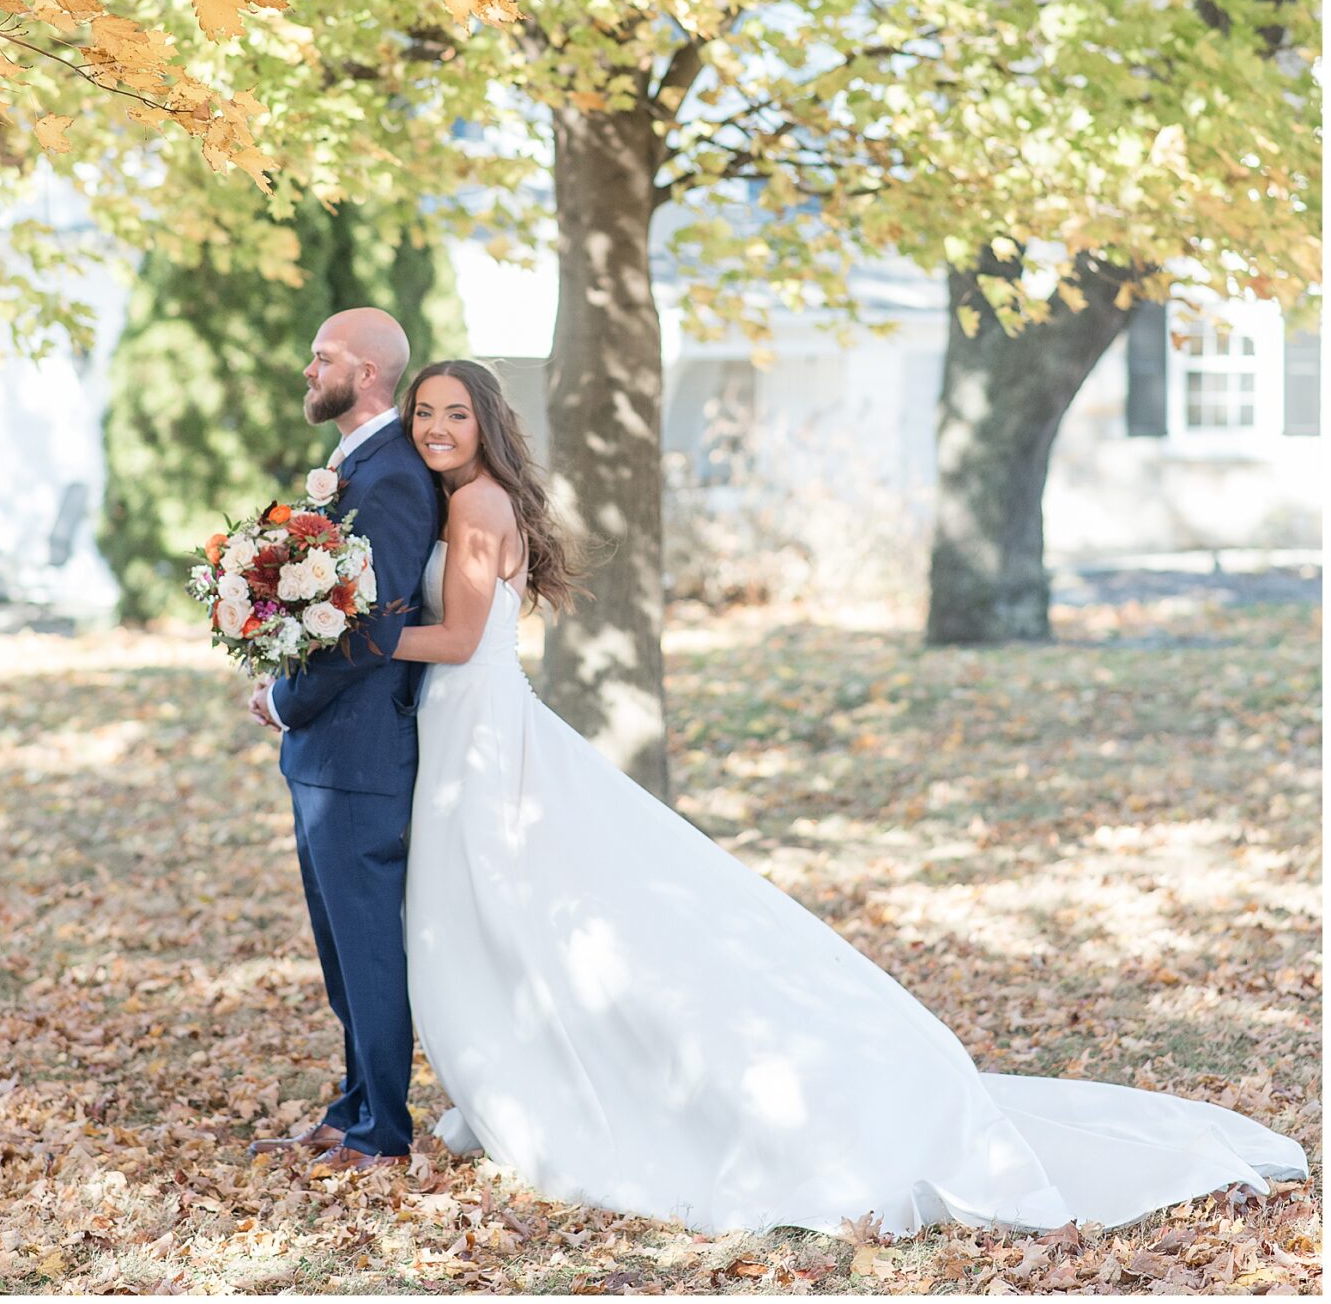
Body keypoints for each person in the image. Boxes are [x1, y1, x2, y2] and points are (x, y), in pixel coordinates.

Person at [387, 357, 1308, 1238]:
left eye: (453, 413)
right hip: (473, 725)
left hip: (482, 724)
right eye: (423, 412)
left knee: (509, 911)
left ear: (485, 425)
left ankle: (565, 1091)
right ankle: (535, 1080)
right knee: (511, 915)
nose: (434, 427)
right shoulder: (463, 499)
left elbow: (461, 640)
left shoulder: (476, 501)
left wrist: (348, 635)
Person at [247, 308, 439, 1174]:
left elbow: (376, 624)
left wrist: (289, 698)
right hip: (326, 754)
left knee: (365, 949)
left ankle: (383, 1135)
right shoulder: (353, 463)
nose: (304, 368)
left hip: (357, 752)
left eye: (318, 356)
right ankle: (354, 1103)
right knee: (339, 949)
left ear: (365, 372)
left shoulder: (393, 474)